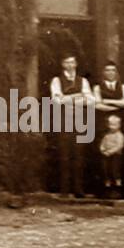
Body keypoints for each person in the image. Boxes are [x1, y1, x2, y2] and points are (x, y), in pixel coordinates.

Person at [51, 54, 92, 197]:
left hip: (79, 121)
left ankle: (78, 190)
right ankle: (64, 190)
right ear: (63, 64)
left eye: (72, 62)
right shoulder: (56, 81)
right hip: (63, 121)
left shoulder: (83, 81)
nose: (70, 65)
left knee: (79, 155)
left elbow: (89, 100)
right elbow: (56, 100)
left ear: (76, 64)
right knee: (64, 155)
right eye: (67, 62)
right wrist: (77, 96)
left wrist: (66, 98)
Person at [93, 61, 124, 195]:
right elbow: (97, 104)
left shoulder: (123, 87)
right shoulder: (97, 88)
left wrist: (109, 102)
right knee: (104, 159)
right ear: (103, 73)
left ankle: (120, 189)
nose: (110, 73)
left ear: (116, 73)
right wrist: (118, 105)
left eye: (113, 70)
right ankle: (105, 189)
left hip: (121, 125)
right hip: (103, 125)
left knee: (119, 157)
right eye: (107, 70)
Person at [99, 115, 124, 198]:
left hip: (115, 156)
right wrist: (102, 149)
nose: (112, 127)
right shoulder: (107, 135)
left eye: (114, 125)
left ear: (119, 125)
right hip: (106, 156)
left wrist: (110, 152)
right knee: (106, 172)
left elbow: (119, 146)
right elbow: (102, 143)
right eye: (110, 125)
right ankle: (107, 189)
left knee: (115, 172)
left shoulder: (120, 136)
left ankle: (117, 190)